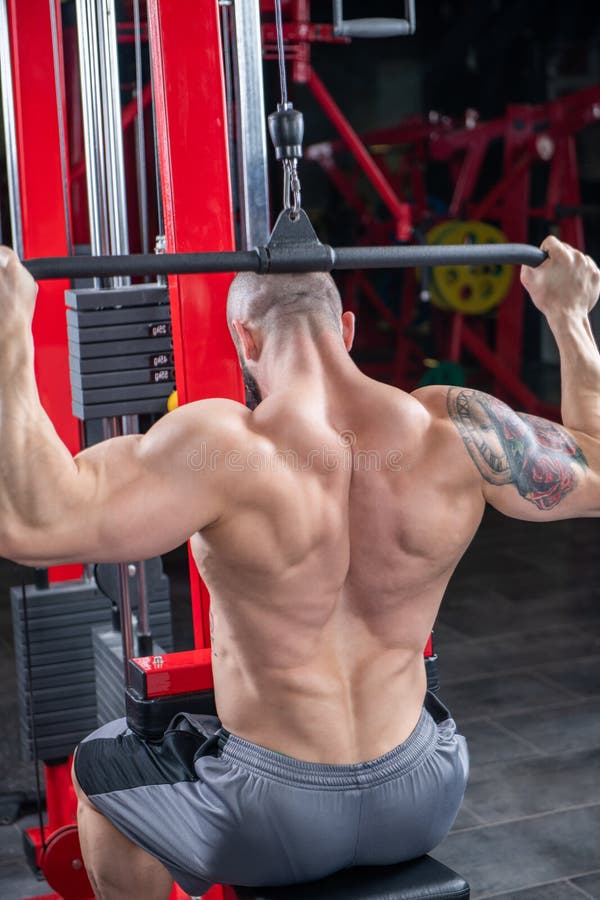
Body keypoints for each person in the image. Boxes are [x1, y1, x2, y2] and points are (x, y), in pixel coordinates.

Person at [0, 236, 598, 900]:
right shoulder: (453, 429)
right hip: (424, 795)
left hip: (271, 815)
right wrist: (568, 317)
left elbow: (33, 523)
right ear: (346, 327)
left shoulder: (223, 446)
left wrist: (8, 340)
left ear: (245, 340)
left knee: (101, 768)